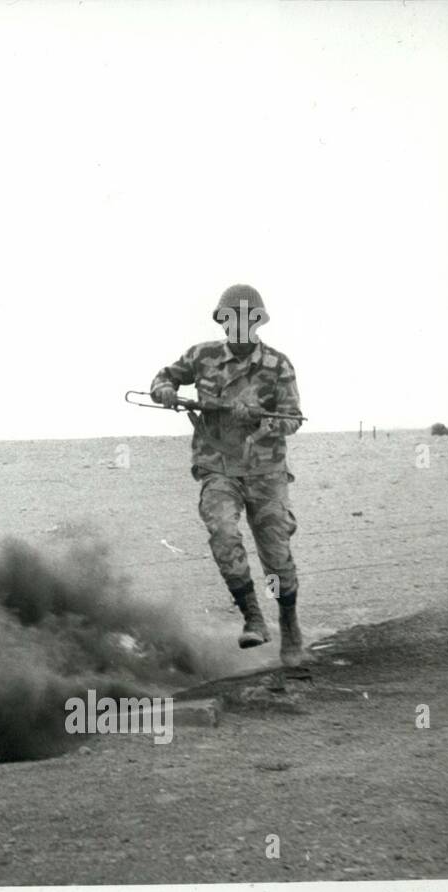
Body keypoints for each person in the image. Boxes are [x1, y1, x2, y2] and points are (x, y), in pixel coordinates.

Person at [150, 284, 309, 687]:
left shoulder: (278, 365)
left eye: (247, 318)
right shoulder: (201, 356)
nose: (238, 325)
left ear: (257, 322)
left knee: (276, 558)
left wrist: (261, 417)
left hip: (266, 473)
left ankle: (288, 623)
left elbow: (293, 418)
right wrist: (165, 390)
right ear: (222, 321)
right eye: (230, 318)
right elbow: (164, 377)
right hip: (218, 467)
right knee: (222, 532)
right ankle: (252, 616)